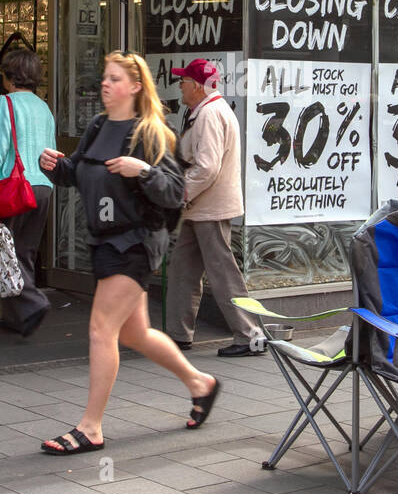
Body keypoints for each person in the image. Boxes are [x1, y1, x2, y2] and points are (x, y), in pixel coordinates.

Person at [38, 51, 220, 455]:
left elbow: (174, 192)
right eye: (105, 77)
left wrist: (143, 170)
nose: (106, 84)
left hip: (137, 242)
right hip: (105, 239)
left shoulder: (151, 132)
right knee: (135, 333)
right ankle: (199, 383)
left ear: (136, 87)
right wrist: (55, 165)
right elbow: (78, 174)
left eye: (115, 79)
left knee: (101, 330)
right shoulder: (99, 126)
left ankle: (91, 427)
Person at [165, 59, 264, 356]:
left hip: (208, 207)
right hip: (200, 208)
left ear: (196, 86)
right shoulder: (208, 111)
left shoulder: (209, 114)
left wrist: (179, 192)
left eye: (183, 81)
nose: (179, 86)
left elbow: (207, 168)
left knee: (222, 273)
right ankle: (177, 334)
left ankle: (249, 334)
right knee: (183, 270)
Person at [0, 48, 55, 337]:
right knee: (24, 251)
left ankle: (32, 301)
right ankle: (15, 317)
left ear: (9, 77)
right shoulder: (44, 108)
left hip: (14, 187)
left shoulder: (3, 104)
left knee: (5, 252)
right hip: (42, 185)